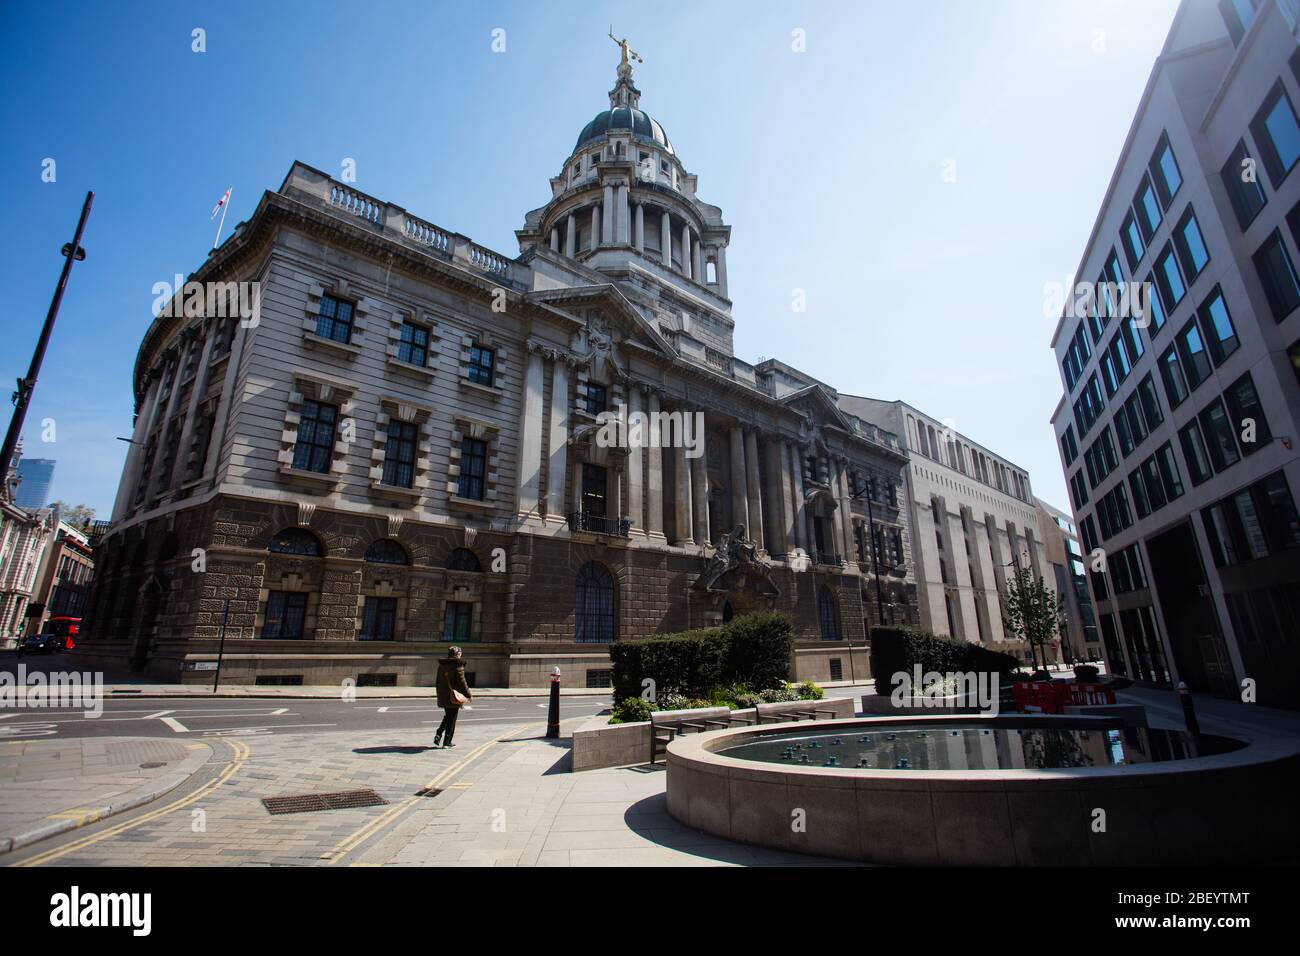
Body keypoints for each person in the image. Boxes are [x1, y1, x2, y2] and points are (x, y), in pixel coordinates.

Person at [433, 646, 472, 748]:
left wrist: (439, 694)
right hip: (454, 695)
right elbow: (462, 682)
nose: (461, 655)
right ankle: (447, 742)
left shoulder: (441, 665)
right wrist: (468, 695)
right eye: (460, 653)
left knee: (448, 716)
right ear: (457, 654)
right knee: (452, 718)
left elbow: (438, 682)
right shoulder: (458, 666)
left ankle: (439, 733)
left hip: (444, 694)